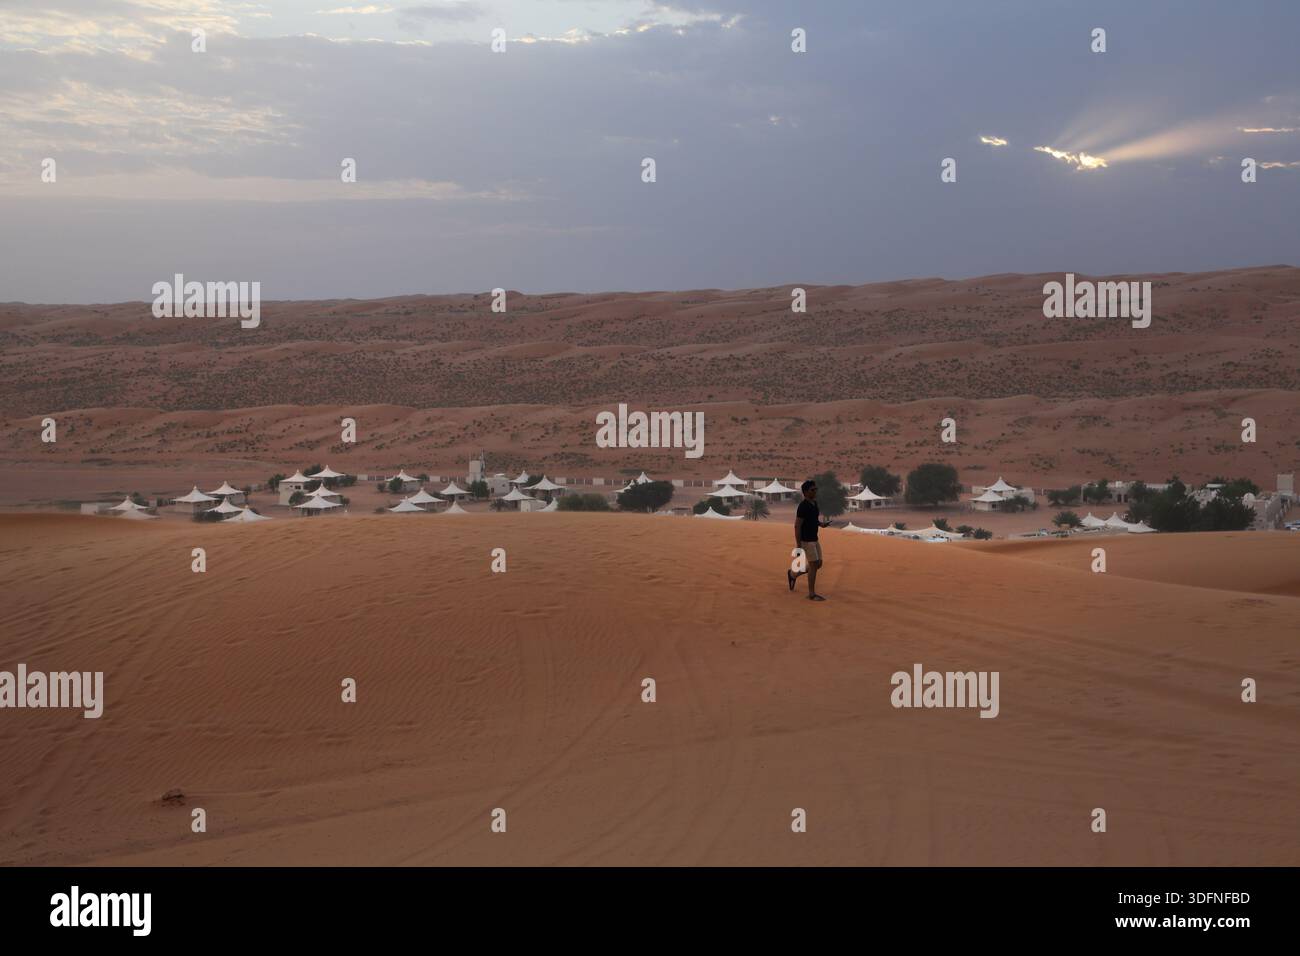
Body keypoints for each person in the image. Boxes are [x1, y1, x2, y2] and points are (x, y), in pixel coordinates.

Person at [789, 478, 830, 600]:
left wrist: (821, 524)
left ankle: (792, 574)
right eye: (813, 490)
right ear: (805, 492)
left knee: (818, 564)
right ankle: (811, 594)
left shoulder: (814, 504)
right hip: (806, 540)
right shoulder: (803, 507)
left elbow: (813, 519)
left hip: (814, 538)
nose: (815, 491)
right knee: (813, 565)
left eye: (816, 489)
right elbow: (797, 525)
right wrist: (798, 544)